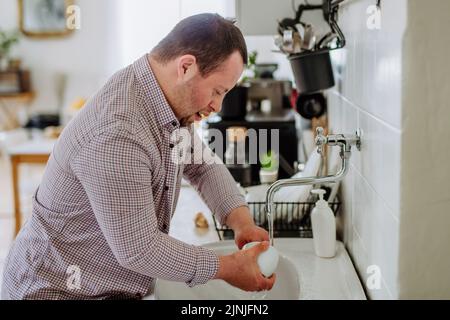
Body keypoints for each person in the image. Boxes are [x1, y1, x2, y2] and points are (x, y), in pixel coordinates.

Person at [1, 13, 276, 300]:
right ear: (186, 67)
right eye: (217, 91)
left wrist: (242, 222)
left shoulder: (164, 102)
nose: (217, 106)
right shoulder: (119, 131)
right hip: (55, 291)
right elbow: (140, 249)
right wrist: (228, 268)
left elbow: (202, 166)